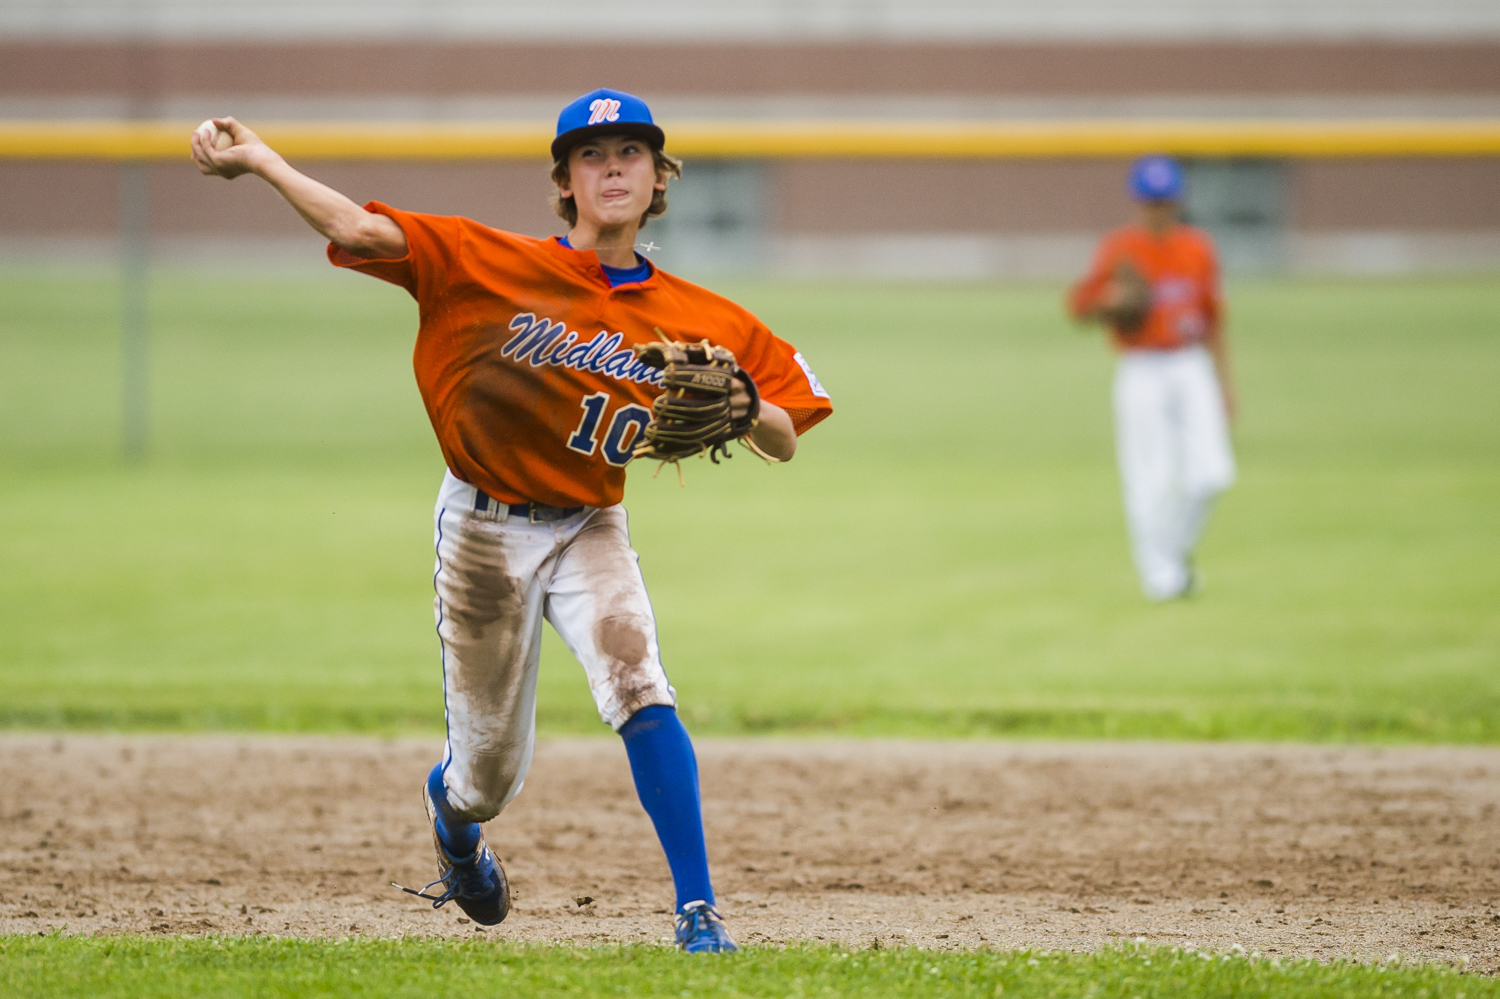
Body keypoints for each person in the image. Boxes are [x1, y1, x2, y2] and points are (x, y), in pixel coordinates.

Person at [190, 87, 833, 952]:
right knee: (487, 776)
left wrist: (748, 401)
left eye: (631, 154)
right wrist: (262, 161)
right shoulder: (476, 258)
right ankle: (456, 830)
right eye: (593, 156)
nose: (614, 169)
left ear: (658, 178)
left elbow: (787, 435)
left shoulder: (705, 318)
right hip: (483, 530)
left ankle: (698, 910)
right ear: (565, 181)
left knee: (640, 682)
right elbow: (357, 230)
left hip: (590, 525)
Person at [1067, 155, 1236, 601]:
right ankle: (1160, 577)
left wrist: (1224, 384)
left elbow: (1215, 319)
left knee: (1213, 474)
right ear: (1136, 203)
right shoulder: (1119, 248)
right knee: (1150, 477)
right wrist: (1109, 300)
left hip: (1189, 363)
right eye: (1148, 201)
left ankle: (1172, 555)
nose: (1156, 210)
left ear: (1178, 202)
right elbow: (1079, 307)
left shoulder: (1198, 248)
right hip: (1140, 367)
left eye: (1163, 201)